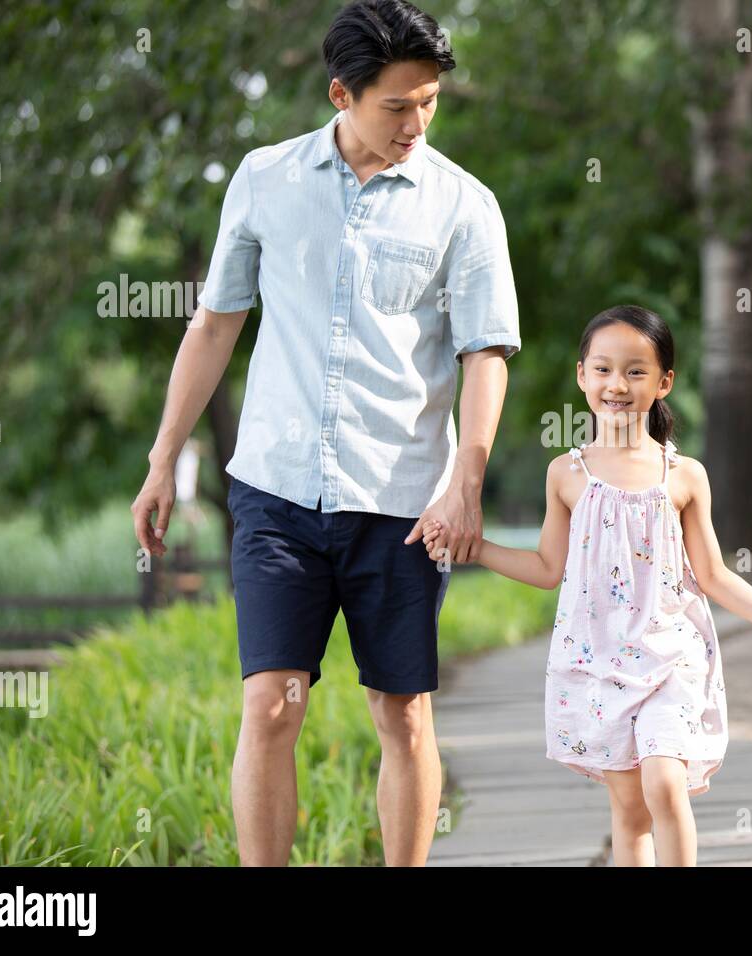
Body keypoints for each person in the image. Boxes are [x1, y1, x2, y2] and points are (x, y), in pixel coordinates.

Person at [130, 0, 520, 866]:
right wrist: (163, 459)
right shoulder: (265, 179)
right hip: (277, 488)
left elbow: (485, 350)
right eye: (396, 105)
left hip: (404, 498)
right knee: (271, 701)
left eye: (429, 102)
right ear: (342, 94)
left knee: (402, 709)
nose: (416, 122)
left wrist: (467, 480)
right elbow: (214, 325)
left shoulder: (466, 204)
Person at [418, 305, 752, 866]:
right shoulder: (566, 474)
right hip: (598, 663)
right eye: (603, 369)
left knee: (664, 783)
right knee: (630, 811)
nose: (617, 384)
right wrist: (474, 547)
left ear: (664, 381)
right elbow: (549, 569)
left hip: (671, 658)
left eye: (636, 371)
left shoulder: (684, 475)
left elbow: (713, 574)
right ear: (581, 376)